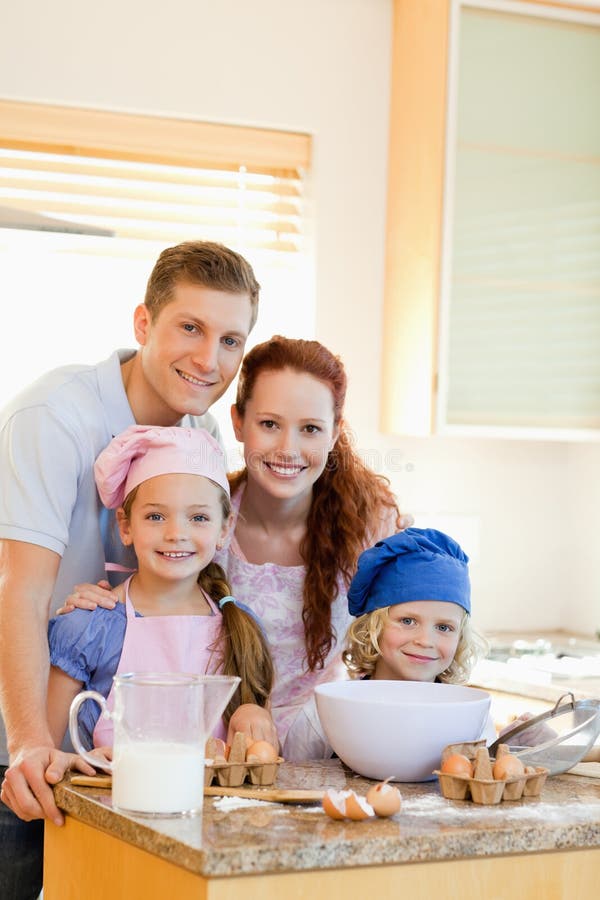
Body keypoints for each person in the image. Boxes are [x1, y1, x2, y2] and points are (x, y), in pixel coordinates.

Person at [0, 240, 259, 900]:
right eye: (191, 329)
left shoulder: (201, 428)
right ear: (143, 324)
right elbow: (22, 587)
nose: (210, 360)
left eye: (231, 340)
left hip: (108, 761)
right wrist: (30, 743)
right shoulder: (54, 416)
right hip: (21, 732)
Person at [61, 336, 409, 762]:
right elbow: (145, 611)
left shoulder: (372, 529)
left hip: (322, 748)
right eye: (269, 424)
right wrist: (98, 601)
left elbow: (414, 636)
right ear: (238, 422)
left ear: (335, 433)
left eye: (311, 429)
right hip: (213, 754)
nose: (288, 449)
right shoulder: (200, 516)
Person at [46, 425, 275, 755]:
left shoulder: (240, 627)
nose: (175, 533)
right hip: (111, 804)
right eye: (155, 516)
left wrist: (252, 714)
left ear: (224, 529)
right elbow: (46, 756)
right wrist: (83, 762)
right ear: (125, 526)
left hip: (212, 808)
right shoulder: (90, 626)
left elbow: (264, 757)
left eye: (198, 517)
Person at [287, 527, 493, 757]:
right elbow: (291, 783)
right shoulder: (326, 711)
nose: (425, 640)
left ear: (461, 638)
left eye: (444, 627)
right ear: (372, 627)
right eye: (408, 621)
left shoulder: (471, 717)